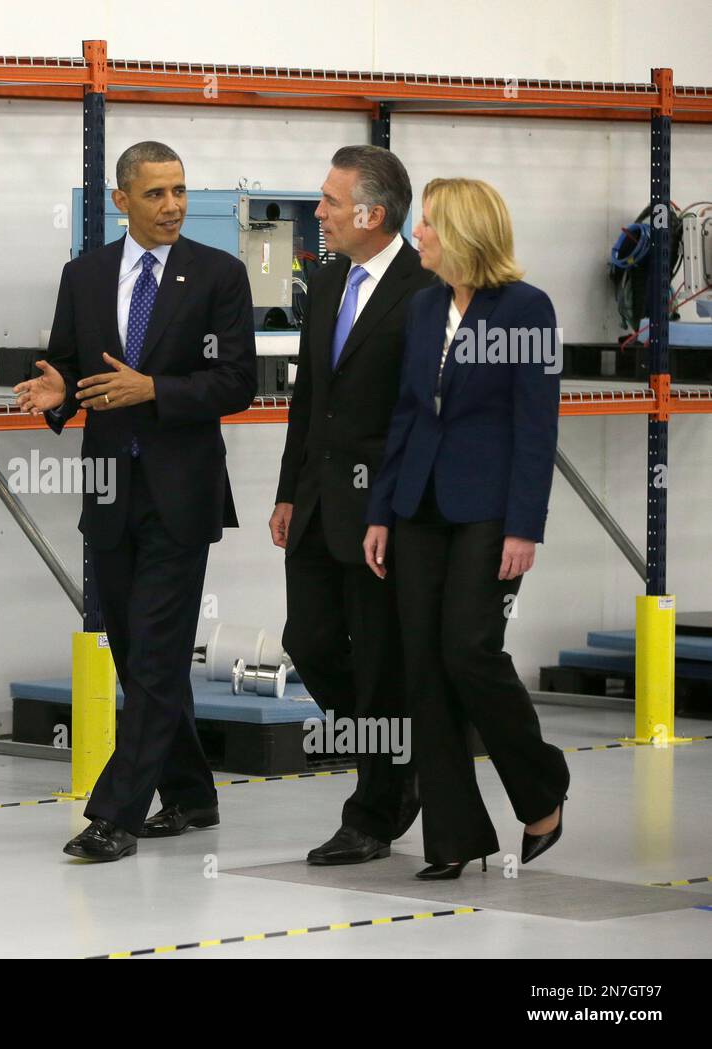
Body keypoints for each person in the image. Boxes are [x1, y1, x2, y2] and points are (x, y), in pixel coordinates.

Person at [15, 141, 256, 861]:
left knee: (153, 656)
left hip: (183, 496)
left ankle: (116, 813)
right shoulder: (84, 276)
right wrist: (58, 390)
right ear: (121, 200)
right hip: (111, 492)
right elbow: (67, 361)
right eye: (155, 194)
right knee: (140, 656)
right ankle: (191, 792)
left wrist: (156, 390)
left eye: (180, 190)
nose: (173, 206)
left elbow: (237, 381)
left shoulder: (220, 274)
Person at [364, 177, 568, 879]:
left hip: (487, 510)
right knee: (423, 663)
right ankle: (454, 839)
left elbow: (537, 427)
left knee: (468, 650)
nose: (417, 235)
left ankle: (542, 787)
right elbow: (407, 415)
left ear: (462, 234)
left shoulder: (527, 308)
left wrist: (524, 526)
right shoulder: (422, 309)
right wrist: (381, 510)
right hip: (417, 504)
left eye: (427, 225)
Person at [271, 145, 434, 866]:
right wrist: (285, 489)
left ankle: (375, 807)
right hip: (314, 502)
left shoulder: (424, 287)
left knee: (378, 663)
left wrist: (393, 509)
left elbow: (418, 413)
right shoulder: (329, 276)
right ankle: (397, 765)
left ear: (372, 213)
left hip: (380, 511)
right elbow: (310, 398)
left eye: (331, 202)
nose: (319, 213)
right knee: (307, 642)